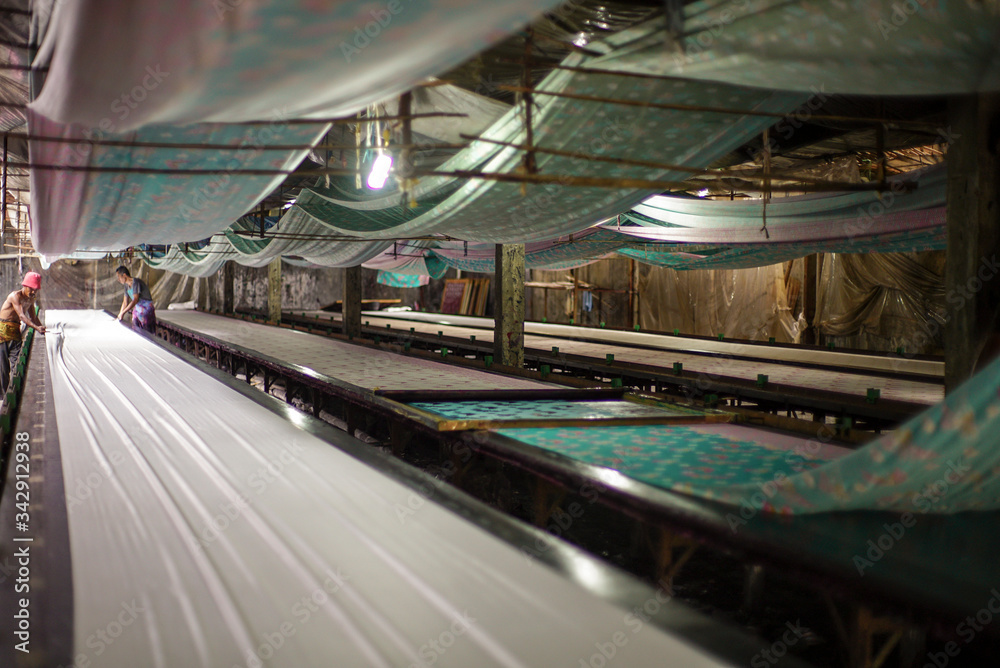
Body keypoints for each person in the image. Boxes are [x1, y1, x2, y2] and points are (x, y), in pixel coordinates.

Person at [0, 271, 46, 394]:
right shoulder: (15, 296)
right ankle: (4, 398)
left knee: (17, 364)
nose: (33, 292)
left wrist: (42, 328)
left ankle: (16, 392)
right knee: (3, 368)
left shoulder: (30, 299)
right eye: (31, 289)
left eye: (35, 290)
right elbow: (21, 316)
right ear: (25, 286)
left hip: (15, 331)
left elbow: (33, 317)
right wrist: (36, 328)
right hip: (2, 332)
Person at [116, 266, 157, 333]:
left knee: (146, 330)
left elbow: (135, 300)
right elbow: (125, 302)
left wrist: (123, 312)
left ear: (124, 275)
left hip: (146, 307)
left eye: (119, 277)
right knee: (135, 324)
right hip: (138, 307)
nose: (118, 279)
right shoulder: (126, 286)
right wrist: (120, 314)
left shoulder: (135, 282)